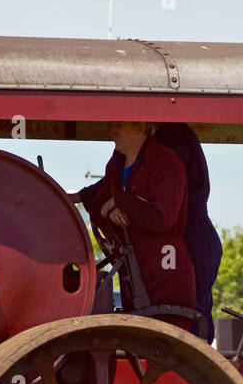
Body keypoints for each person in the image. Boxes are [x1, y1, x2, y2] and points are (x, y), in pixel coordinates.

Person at [77, 121, 196, 326]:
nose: (111, 130)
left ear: (140, 128)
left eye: (119, 126)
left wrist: (119, 201)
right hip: (132, 275)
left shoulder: (167, 163)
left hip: (164, 275)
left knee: (167, 340)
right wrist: (110, 212)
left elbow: (162, 218)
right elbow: (98, 209)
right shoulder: (114, 167)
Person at [154, 122, 221, 342]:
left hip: (189, 234)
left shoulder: (171, 137)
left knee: (189, 307)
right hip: (199, 234)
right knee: (198, 306)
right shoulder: (182, 137)